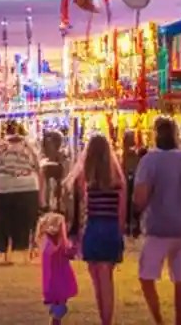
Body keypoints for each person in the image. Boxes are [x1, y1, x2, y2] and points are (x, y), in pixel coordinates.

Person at [133, 117, 181, 325]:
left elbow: (140, 197)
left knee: (147, 276)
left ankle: (159, 320)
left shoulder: (150, 160)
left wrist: (139, 210)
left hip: (158, 227)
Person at [69, 134, 125, 325]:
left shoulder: (86, 178)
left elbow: (81, 208)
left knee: (96, 279)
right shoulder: (117, 181)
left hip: (93, 228)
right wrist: (119, 233)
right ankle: (106, 321)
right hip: (110, 227)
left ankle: (104, 318)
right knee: (106, 278)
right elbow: (122, 212)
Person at [0, 121, 42, 265]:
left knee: (2, 222)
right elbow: (37, 166)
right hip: (27, 185)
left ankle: (4, 255)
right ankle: (24, 255)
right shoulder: (30, 146)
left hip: (2, 186)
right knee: (26, 221)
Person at [38, 211, 77, 325]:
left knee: (58, 310)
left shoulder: (47, 246)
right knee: (59, 310)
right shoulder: (59, 247)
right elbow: (71, 252)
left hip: (53, 286)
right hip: (61, 285)